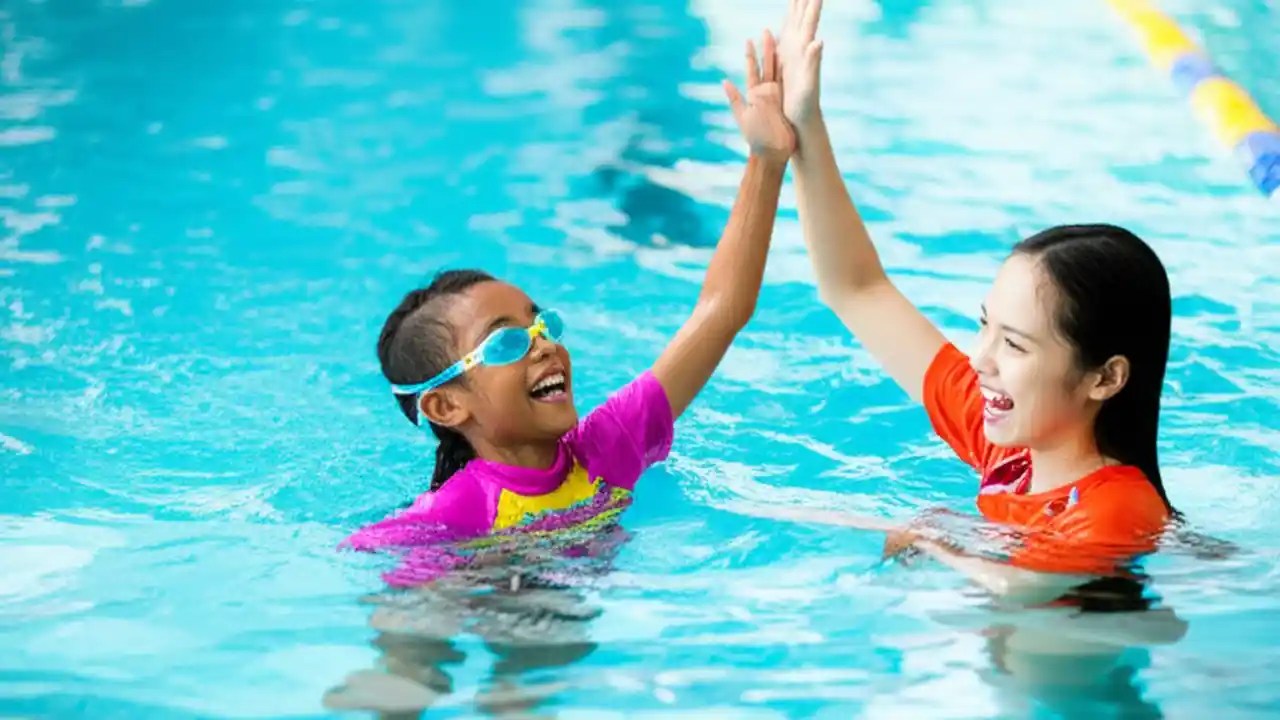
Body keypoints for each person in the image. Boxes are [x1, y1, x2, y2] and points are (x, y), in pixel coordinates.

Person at [341, 33, 797, 588]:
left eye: (541, 324)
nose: (543, 342)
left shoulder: (610, 447)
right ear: (445, 405)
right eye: (506, 340)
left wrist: (767, 161)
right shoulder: (457, 515)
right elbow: (368, 561)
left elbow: (721, 312)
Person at [770, 0, 1176, 599]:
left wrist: (936, 538)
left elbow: (1025, 591)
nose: (980, 361)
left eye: (1012, 343)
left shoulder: (1121, 506)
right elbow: (856, 288)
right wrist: (804, 124)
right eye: (985, 328)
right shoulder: (1011, 453)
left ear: (1104, 378)